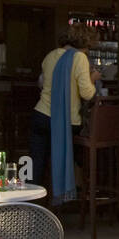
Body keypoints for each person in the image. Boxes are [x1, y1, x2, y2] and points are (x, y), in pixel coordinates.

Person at [29, 24, 101, 203]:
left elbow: (42, 83)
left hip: (40, 115)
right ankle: (73, 198)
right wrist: (93, 79)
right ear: (86, 43)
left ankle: (33, 207)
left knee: (37, 166)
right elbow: (87, 93)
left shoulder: (51, 55)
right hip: (66, 121)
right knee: (79, 160)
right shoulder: (79, 58)